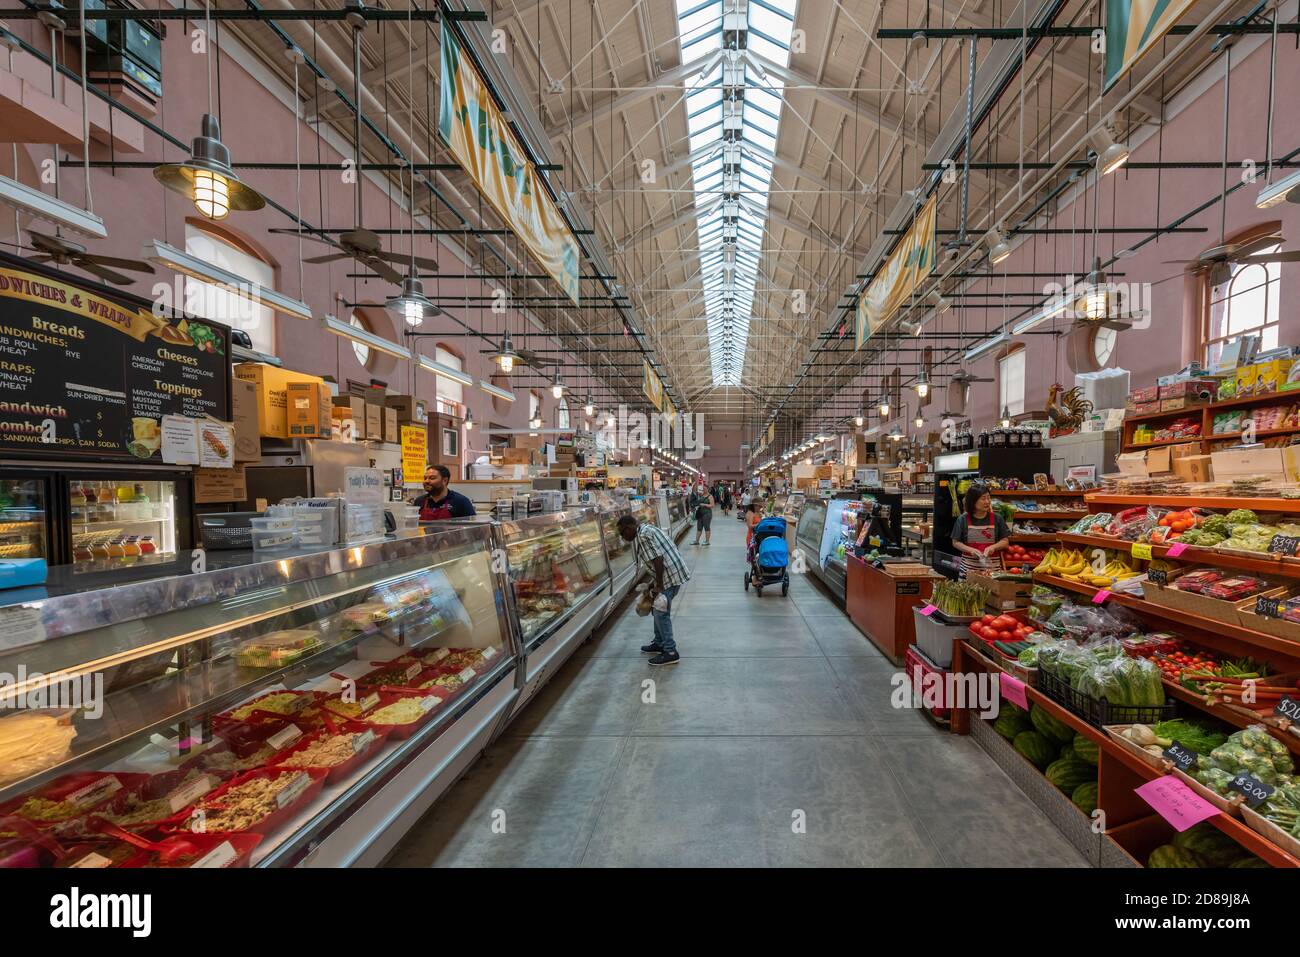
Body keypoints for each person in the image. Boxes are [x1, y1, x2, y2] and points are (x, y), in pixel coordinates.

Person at [618, 513, 690, 666]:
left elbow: (658, 559)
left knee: (661, 614)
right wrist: (653, 583)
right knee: (657, 612)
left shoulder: (643, 536)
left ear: (630, 527)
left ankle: (670, 651)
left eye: (623, 532)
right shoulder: (646, 529)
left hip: (669, 578)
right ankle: (659, 643)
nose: (623, 537)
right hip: (673, 574)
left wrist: (659, 585)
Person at [950, 482, 1010, 578]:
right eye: (983, 498)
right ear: (973, 501)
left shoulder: (997, 518)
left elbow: (1005, 541)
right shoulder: (963, 519)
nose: (987, 501)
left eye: (988, 497)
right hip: (968, 571)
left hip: (992, 572)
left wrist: (993, 547)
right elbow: (956, 542)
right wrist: (971, 550)